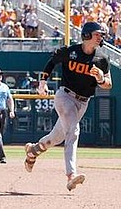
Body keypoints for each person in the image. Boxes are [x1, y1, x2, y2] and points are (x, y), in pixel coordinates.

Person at [24, 21, 112, 191]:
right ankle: (71, 175)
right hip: (65, 96)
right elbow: (51, 62)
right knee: (73, 131)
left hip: (83, 101)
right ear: (86, 35)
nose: (100, 37)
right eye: (97, 34)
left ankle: (33, 151)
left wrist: (101, 78)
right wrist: (42, 82)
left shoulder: (101, 59)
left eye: (100, 35)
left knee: (57, 137)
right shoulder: (70, 52)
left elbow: (108, 84)